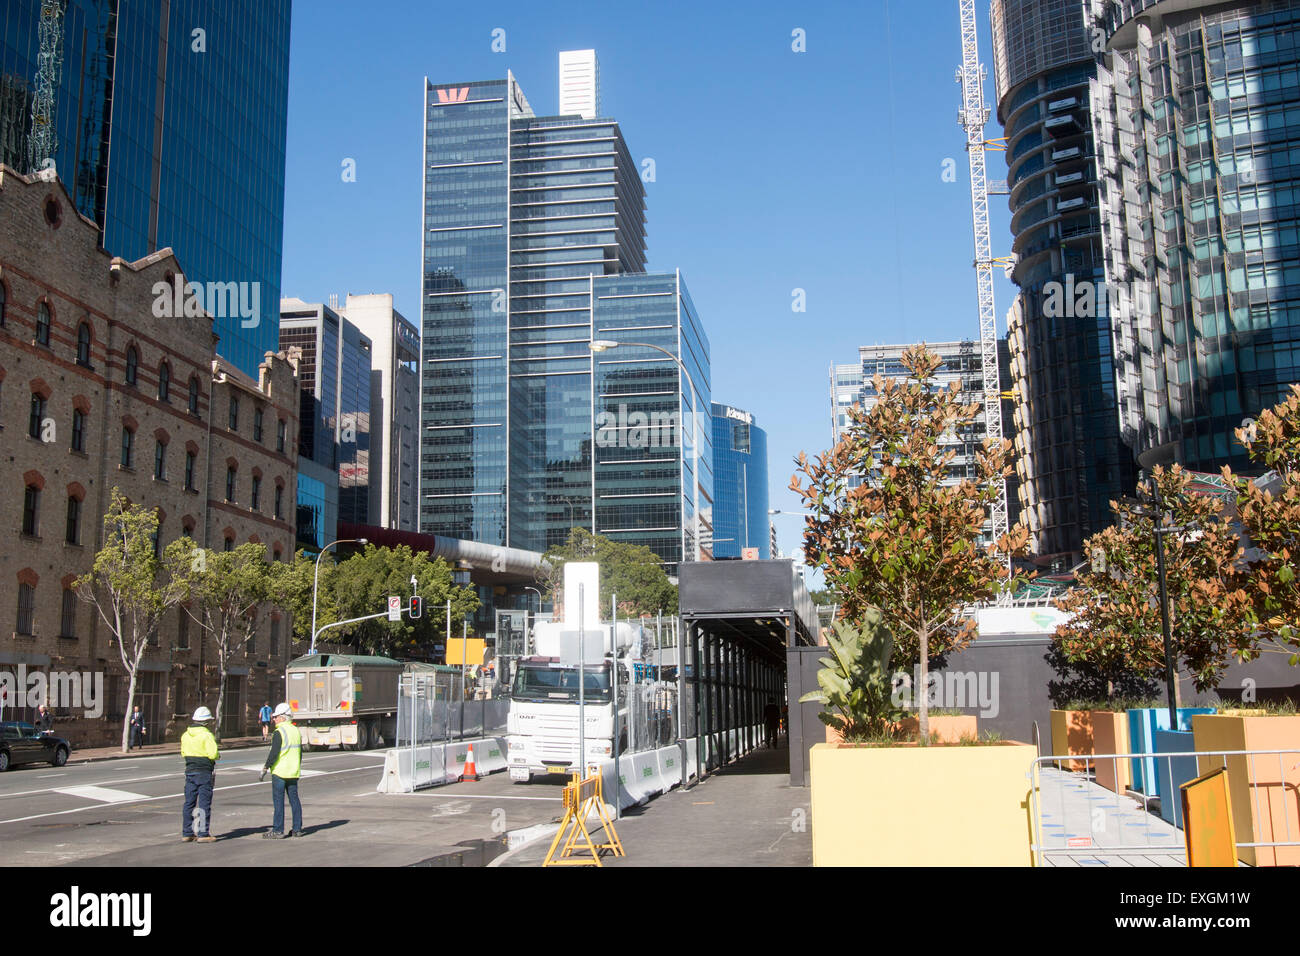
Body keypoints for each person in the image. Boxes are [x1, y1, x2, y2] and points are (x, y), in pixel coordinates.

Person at [260, 702, 302, 838]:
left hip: (280, 772)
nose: (274, 719)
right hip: (293, 771)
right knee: (294, 800)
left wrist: (266, 767)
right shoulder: (296, 730)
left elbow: (274, 752)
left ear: (283, 717)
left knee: (278, 802)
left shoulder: (279, 732)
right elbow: (300, 753)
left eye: (276, 717)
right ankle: (297, 829)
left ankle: (278, 830)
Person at [180, 706, 219, 843]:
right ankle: (203, 834)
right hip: (204, 771)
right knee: (204, 803)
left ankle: (187, 832)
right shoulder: (207, 735)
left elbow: (183, 753)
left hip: (190, 771)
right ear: (206, 722)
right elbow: (213, 753)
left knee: (189, 803)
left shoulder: (185, 735)